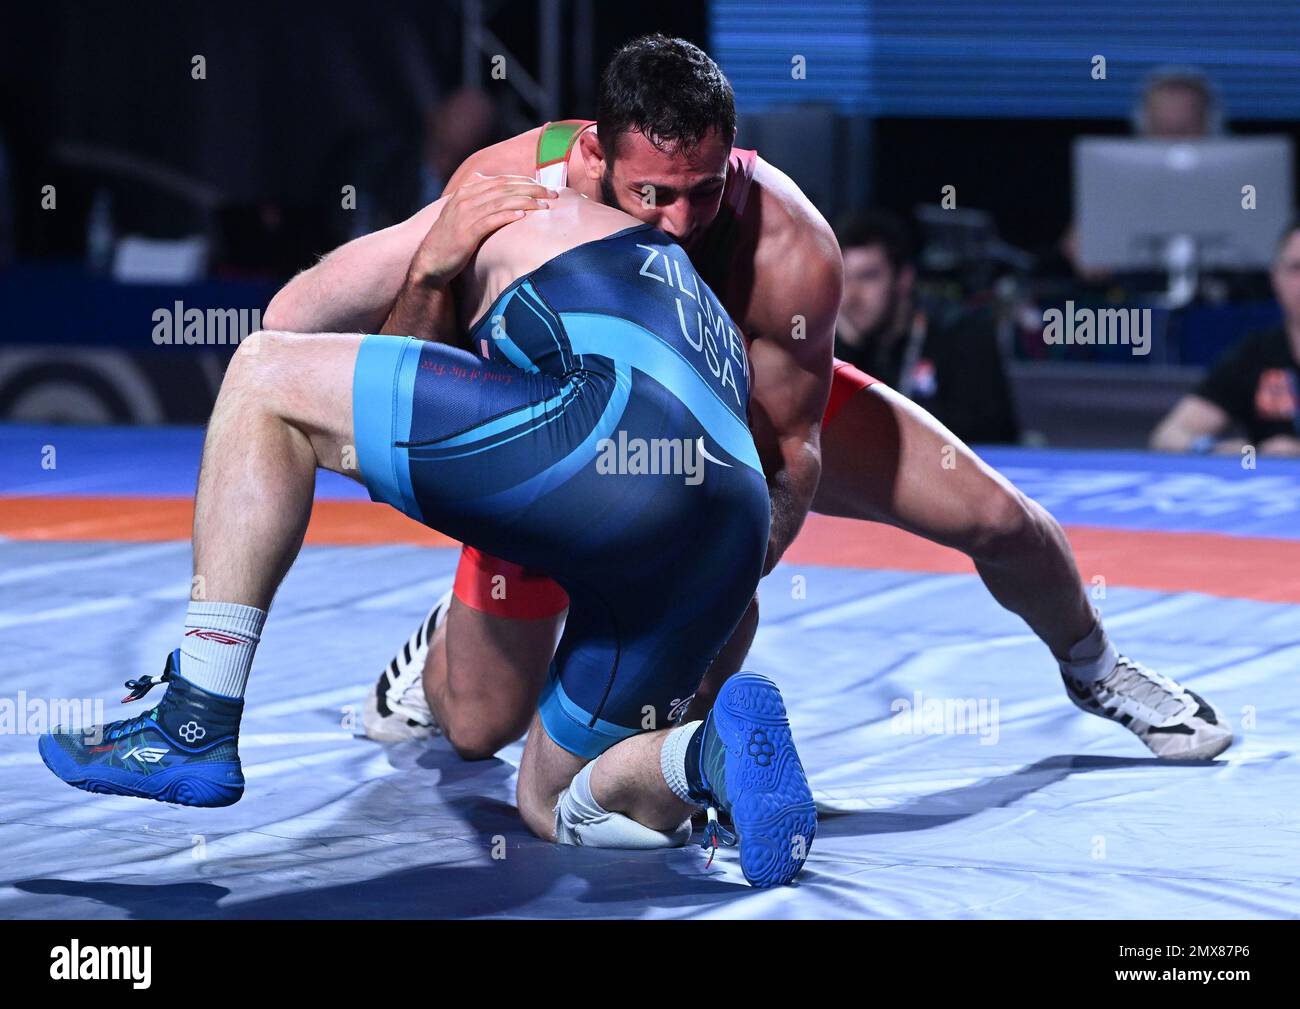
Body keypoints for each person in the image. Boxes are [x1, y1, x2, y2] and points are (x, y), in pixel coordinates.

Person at [266, 35, 1231, 763]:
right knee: (478, 730)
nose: (680, 224)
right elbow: (389, 366)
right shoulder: (509, 187)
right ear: (595, 156)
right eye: (654, 195)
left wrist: (694, 585)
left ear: (732, 156)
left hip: (728, 425)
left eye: (703, 190)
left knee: (995, 515)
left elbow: (789, 458)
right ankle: (450, 638)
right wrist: (432, 283)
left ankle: (1099, 670)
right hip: (552, 429)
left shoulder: (787, 246)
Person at [37, 185, 817, 889]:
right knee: (552, 802)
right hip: (732, 513)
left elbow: (292, 315)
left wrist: (425, 265)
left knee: (261, 374)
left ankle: (195, 714)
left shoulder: (517, 187)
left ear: (582, 150)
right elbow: (793, 459)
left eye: (688, 191)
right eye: (658, 190)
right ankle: (704, 752)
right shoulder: (723, 291)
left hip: (603, 440)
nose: (669, 211)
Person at [835, 211, 1020, 445]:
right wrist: (847, 352)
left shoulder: (961, 332)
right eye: (844, 278)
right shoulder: (838, 341)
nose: (851, 296)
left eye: (868, 277)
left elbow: (990, 431)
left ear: (904, 278)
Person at [1151, 221, 1300, 457]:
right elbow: (1170, 434)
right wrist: (1210, 447)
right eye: (1296, 268)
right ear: (1275, 278)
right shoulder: (1256, 355)